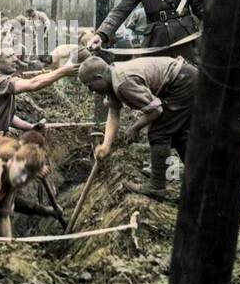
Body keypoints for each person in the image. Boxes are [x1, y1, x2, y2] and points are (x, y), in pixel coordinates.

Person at [75, 50, 197, 198]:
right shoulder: (111, 78)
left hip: (182, 82)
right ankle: (198, 184)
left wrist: (135, 128)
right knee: (178, 135)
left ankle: (157, 186)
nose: (91, 91)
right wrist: (105, 147)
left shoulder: (122, 83)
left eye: (89, 85)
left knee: (159, 132)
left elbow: (155, 110)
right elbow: (113, 112)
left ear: (99, 77)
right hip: (185, 79)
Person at [0, 51, 78, 155]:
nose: (15, 59)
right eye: (9, 56)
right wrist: (63, 71)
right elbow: (33, 84)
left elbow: (8, 117)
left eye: (14, 54)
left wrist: (30, 127)